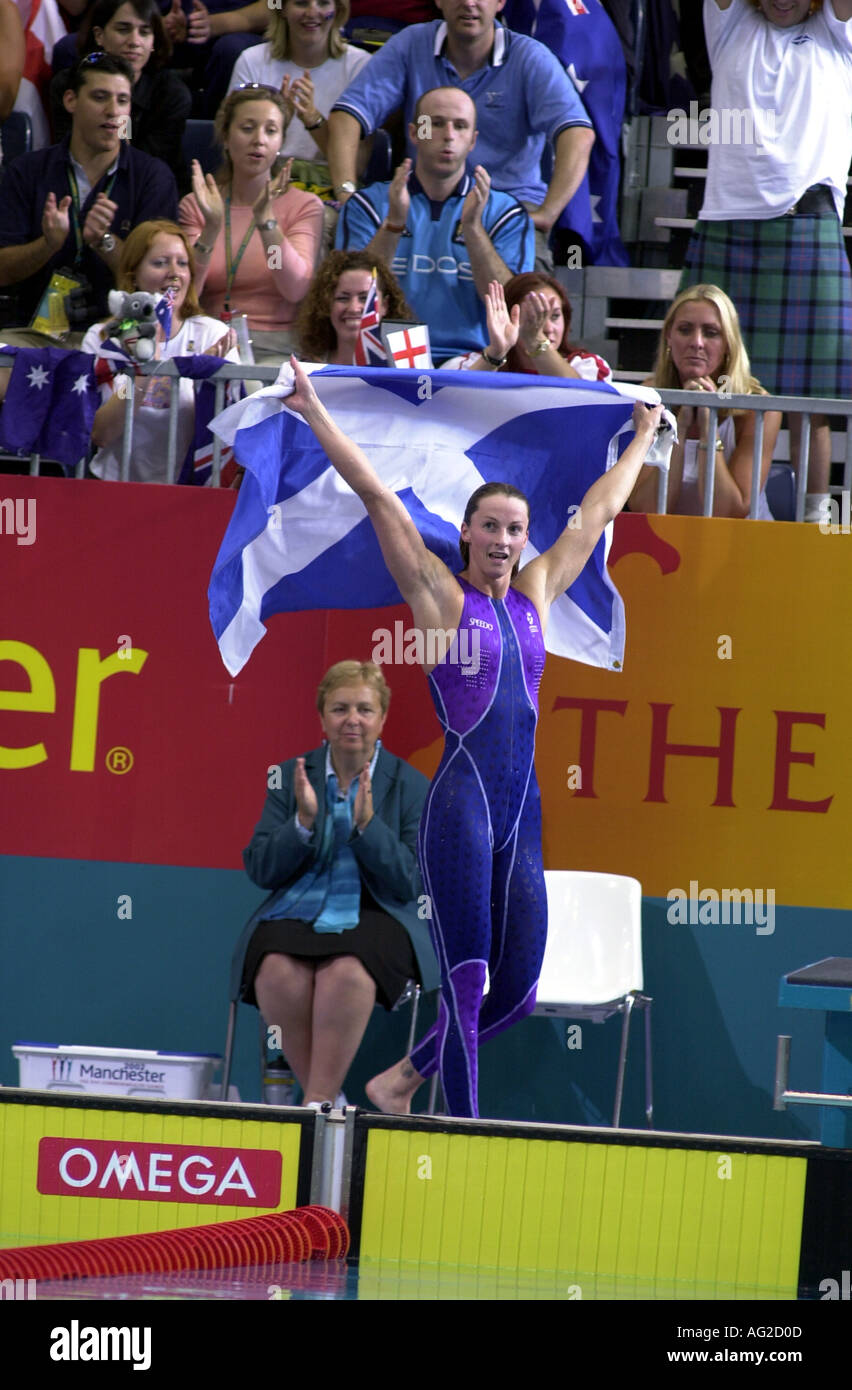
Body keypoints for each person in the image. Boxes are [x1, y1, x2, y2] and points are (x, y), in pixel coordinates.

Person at [283, 355, 663, 1119]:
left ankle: (400, 1081)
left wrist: (643, 438)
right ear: (466, 531)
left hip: (523, 812)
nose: (503, 539)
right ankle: (462, 1142)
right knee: (465, 986)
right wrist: (314, 409)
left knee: (517, 992)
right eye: (489, 526)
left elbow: (594, 517)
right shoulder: (437, 594)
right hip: (461, 808)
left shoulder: (535, 593)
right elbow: (376, 495)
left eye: (515, 529)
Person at [235, 659, 438, 1108]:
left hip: (381, 912)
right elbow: (261, 869)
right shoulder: (290, 776)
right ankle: (326, 1104)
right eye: (340, 708)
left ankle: (317, 1103)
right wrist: (302, 825)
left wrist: (367, 826)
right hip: (299, 906)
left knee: (347, 970)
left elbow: (410, 882)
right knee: (275, 970)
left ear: (382, 719)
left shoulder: (411, 786)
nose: (352, 720)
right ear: (322, 719)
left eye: (364, 710)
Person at [680, 0, 852, 520]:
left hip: (808, 219)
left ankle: (813, 521)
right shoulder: (728, 22)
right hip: (728, 221)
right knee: (698, 382)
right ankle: (698, 509)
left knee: (812, 403)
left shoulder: (835, 31)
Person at [327, 0, 595, 270]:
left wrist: (548, 212)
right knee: (346, 267)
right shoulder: (411, 44)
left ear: (501, 2)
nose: (469, 3)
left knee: (528, 293)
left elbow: (578, 134)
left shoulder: (530, 57)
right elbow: (346, 117)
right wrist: (347, 193)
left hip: (508, 205)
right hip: (418, 200)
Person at [335, 86, 534, 364]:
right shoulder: (367, 205)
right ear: (415, 133)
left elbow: (513, 306)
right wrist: (393, 224)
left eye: (460, 126)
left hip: (475, 359)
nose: (449, 135)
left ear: (473, 140)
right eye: (436, 124)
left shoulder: (505, 213)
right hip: (384, 356)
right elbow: (349, 297)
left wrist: (474, 230)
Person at [0, 52, 178, 330]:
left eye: (122, 100)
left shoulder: (153, 178)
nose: (113, 111)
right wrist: (47, 245)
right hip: (33, 333)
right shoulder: (26, 171)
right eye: (99, 97)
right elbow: (2, 271)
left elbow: (159, 281)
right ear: (70, 100)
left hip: (123, 334)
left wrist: (105, 241)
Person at [82, 218, 238, 481]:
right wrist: (144, 368)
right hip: (114, 490)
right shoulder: (103, 338)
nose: (174, 273)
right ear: (134, 276)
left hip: (188, 494)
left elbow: (231, 430)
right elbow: (101, 434)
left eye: (182, 263)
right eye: (160, 263)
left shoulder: (212, 334)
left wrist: (207, 378)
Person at [179, 85, 324, 365]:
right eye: (247, 128)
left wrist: (267, 223)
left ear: (281, 141)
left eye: (271, 131)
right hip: (209, 341)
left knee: (252, 394)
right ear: (225, 137)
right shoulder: (198, 203)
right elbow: (187, 296)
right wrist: (211, 227)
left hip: (277, 349)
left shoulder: (304, 206)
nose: (259, 140)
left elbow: (294, 289)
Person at [628, 282, 781, 518]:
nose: (697, 342)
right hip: (666, 545)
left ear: (728, 343)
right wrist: (682, 424)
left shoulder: (758, 408)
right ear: (669, 336)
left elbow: (729, 510)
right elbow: (648, 508)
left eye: (711, 333)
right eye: (685, 329)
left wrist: (709, 429)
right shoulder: (646, 399)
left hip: (742, 546)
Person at [229, 0, 371, 199]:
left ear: (337, 10)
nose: (312, 12)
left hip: (330, 186)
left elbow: (358, 165)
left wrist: (314, 120)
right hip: (263, 181)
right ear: (282, 9)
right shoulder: (251, 61)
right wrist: (279, 123)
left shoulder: (360, 65)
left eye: (323, 3)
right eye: (301, 3)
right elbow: (232, 146)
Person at [50, 0, 192, 188]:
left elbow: (143, 166)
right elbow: (68, 153)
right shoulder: (69, 85)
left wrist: (122, 126)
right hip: (78, 185)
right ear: (99, 35)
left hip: (151, 192)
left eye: (144, 32)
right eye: (123, 29)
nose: (134, 42)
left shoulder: (171, 94)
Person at [447, 273, 612, 380]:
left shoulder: (588, 366)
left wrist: (535, 340)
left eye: (555, 316)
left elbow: (584, 400)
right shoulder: (468, 364)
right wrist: (496, 353)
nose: (546, 328)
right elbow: (449, 401)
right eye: (532, 317)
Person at [296, 248, 411, 363]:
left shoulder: (405, 368)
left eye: (365, 298)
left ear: (385, 305)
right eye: (342, 298)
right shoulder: (306, 368)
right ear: (326, 304)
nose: (353, 308)